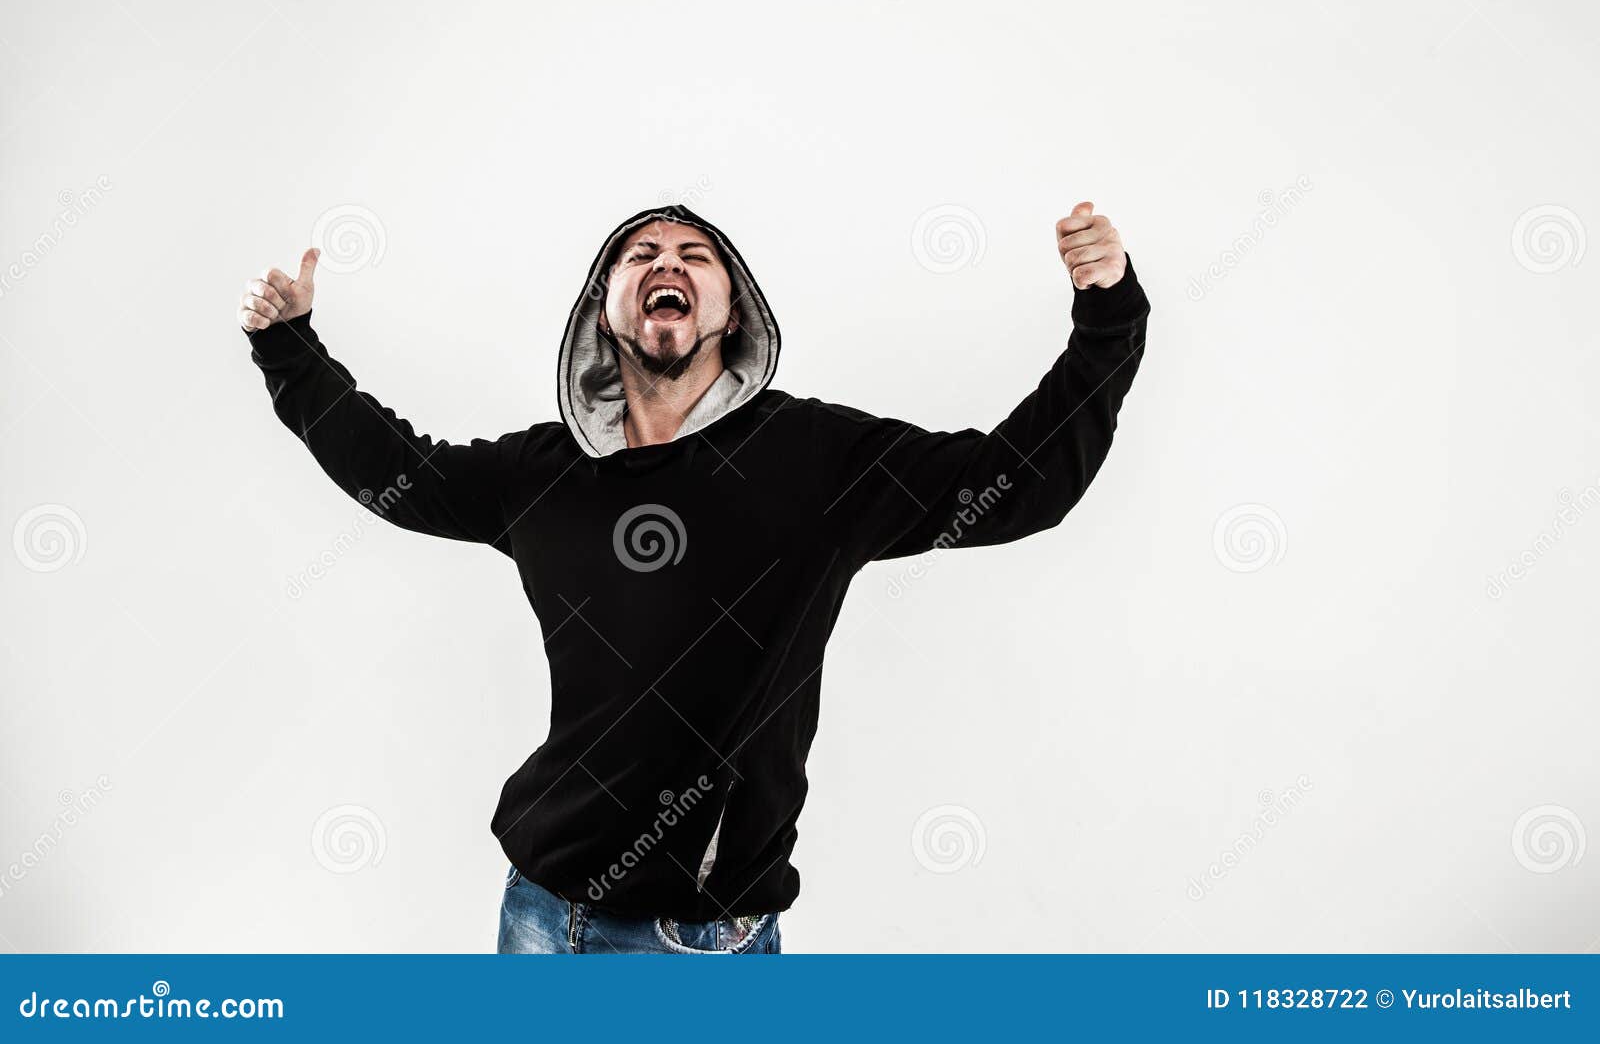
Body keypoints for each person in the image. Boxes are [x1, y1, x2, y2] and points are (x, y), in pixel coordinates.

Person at [238, 202, 1150, 954]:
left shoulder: (816, 459)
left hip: (700, 947)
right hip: (539, 913)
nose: (664, 263)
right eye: (639, 255)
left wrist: (1105, 317)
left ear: (732, 308)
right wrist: (290, 349)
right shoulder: (546, 474)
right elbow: (406, 478)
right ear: (608, 311)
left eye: (693, 255)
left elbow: (1018, 484)